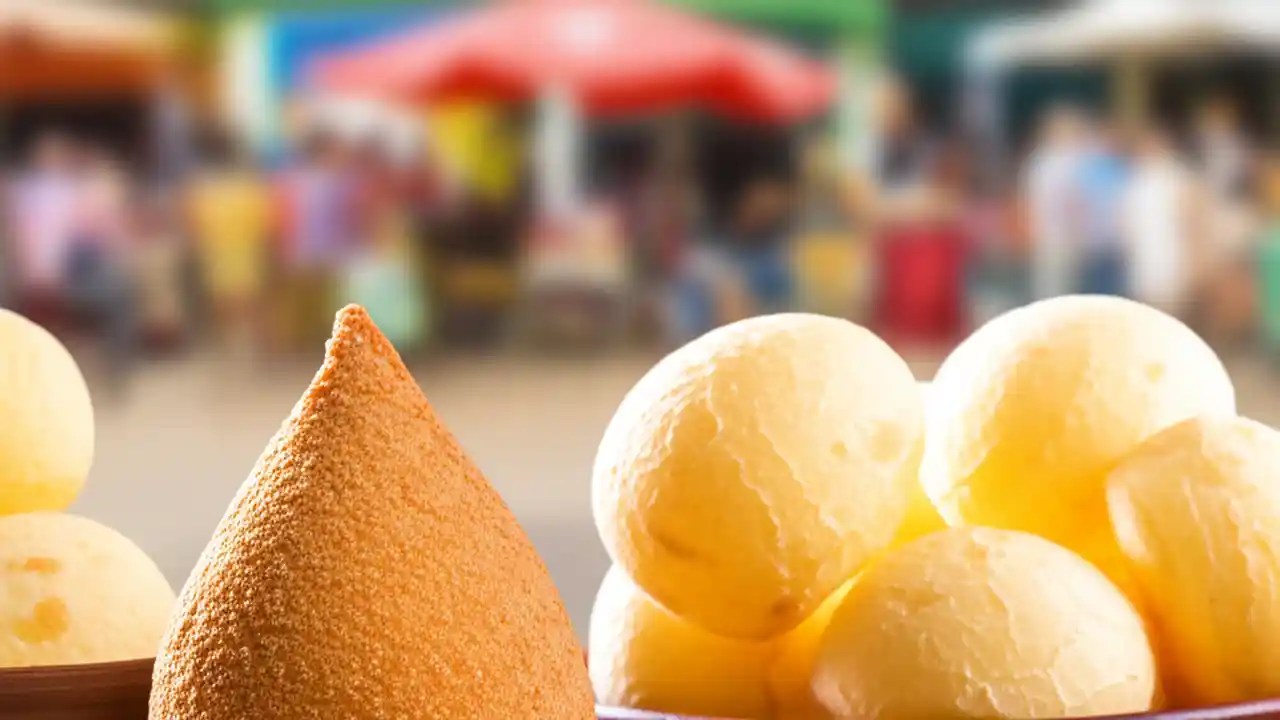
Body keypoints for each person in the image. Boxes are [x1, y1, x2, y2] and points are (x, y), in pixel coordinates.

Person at [187, 134, 272, 357]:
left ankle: (234, 346)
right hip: (247, 250)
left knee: (225, 304)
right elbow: (265, 222)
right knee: (251, 302)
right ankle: (255, 348)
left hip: (219, 253)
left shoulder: (204, 190)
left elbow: (195, 225)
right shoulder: (250, 186)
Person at [1122, 128, 1196, 313]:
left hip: (1170, 252)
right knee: (1145, 305)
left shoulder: (1175, 176)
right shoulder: (1136, 177)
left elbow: (1190, 218)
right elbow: (1127, 218)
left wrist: (1191, 257)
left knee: (1171, 306)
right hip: (1142, 254)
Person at [1022, 105, 1088, 300]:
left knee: (1076, 293)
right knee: (1052, 293)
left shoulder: (1077, 159)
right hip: (1050, 238)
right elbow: (1033, 202)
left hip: (1076, 240)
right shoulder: (1043, 162)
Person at [1074, 122, 1130, 296]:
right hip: (1094, 244)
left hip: (1114, 244)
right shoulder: (1087, 169)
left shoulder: (1122, 169)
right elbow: (1080, 206)